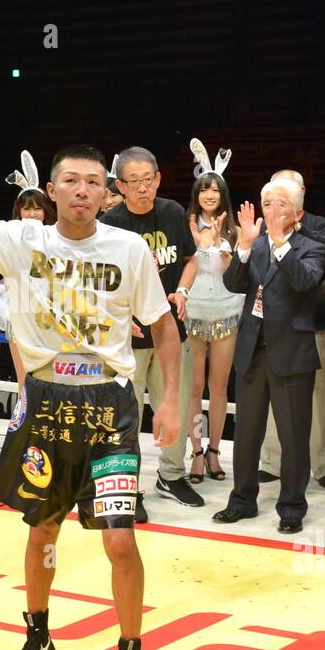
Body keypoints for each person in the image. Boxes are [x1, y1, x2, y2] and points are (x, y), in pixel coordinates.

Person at [0, 121, 179, 650]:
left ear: (107, 193)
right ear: (54, 189)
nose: (83, 191)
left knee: (120, 539)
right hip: (45, 405)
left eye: (94, 182)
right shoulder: (21, 239)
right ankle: (37, 635)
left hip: (110, 409)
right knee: (42, 534)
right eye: (72, 181)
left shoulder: (129, 249)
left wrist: (171, 402)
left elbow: (164, 328)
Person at [214, 180, 325, 531]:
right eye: (266, 203)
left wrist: (280, 243)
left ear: (296, 213)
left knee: (294, 436)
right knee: (246, 432)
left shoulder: (313, 246)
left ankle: (292, 508)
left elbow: (305, 282)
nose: (271, 210)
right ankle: (242, 500)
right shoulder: (256, 244)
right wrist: (244, 248)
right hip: (252, 349)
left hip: (292, 353)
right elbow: (233, 284)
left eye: (280, 204)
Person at [101, 146, 201, 510]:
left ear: (158, 179)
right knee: (127, 417)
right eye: (134, 182)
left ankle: (172, 476)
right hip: (129, 340)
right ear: (120, 186)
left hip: (172, 334)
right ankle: (127, 486)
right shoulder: (110, 225)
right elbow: (99, 281)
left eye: (149, 180)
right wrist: (120, 312)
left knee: (174, 405)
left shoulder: (172, 212)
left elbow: (190, 261)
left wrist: (183, 289)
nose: (143, 188)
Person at [258, 169, 325, 490]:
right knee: (271, 396)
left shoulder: (318, 226)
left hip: (312, 324)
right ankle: (273, 461)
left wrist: (290, 225)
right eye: (271, 197)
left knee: (319, 397)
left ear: (300, 194)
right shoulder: (261, 228)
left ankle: (323, 466)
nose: (276, 203)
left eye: (286, 194)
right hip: (272, 327)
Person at [172, 154, 242, 485]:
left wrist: (220, 246)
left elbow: (232, 272)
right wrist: (182, 291)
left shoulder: (235, 229)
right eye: (204, 190)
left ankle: (215, 450)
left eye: (214, 190)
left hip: (226, 312)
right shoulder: (187, 223)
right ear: (197, 194)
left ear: (222, 192)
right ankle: (196, 451)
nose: (209, 195)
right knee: (194, 387)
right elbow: (189, 266)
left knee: (218, 388)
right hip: (194, 313)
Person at [0, 186, 58, 390]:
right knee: (23, 379)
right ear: (18, 211)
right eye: (26, 208)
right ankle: (24, 418)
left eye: (37, 208)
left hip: (50, 313)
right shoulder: (9, 234)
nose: (31, 214)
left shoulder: (57, 236)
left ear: (46, 210)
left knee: (51, 375)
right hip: (18, 307)